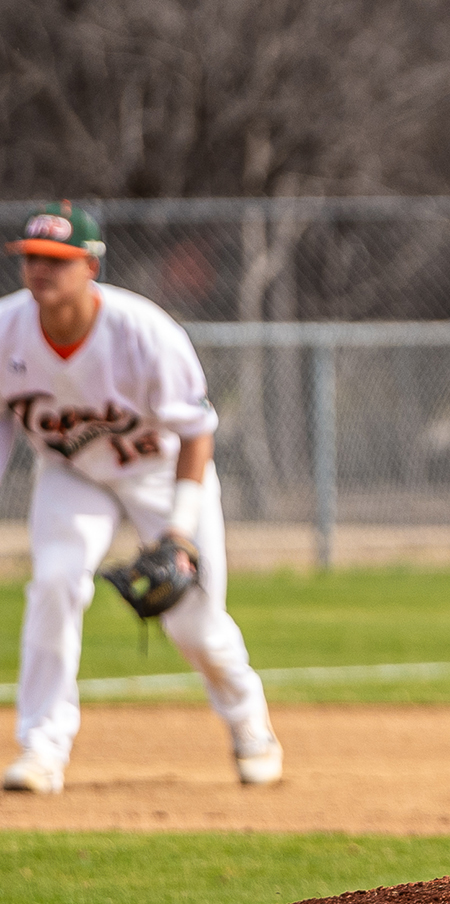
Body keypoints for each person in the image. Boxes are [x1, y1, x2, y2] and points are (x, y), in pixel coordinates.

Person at [1, 202, 281, 794]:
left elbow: (197, 431)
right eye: (32, 258)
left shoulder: (144, 331)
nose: (40, 271)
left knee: (194, 623)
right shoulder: (6, 330)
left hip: (160, 472)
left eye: (57, 259)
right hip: (72, 473)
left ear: (90, 266)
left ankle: (249, 723)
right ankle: (42, 748)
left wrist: (178, 529)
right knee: (54, 581)